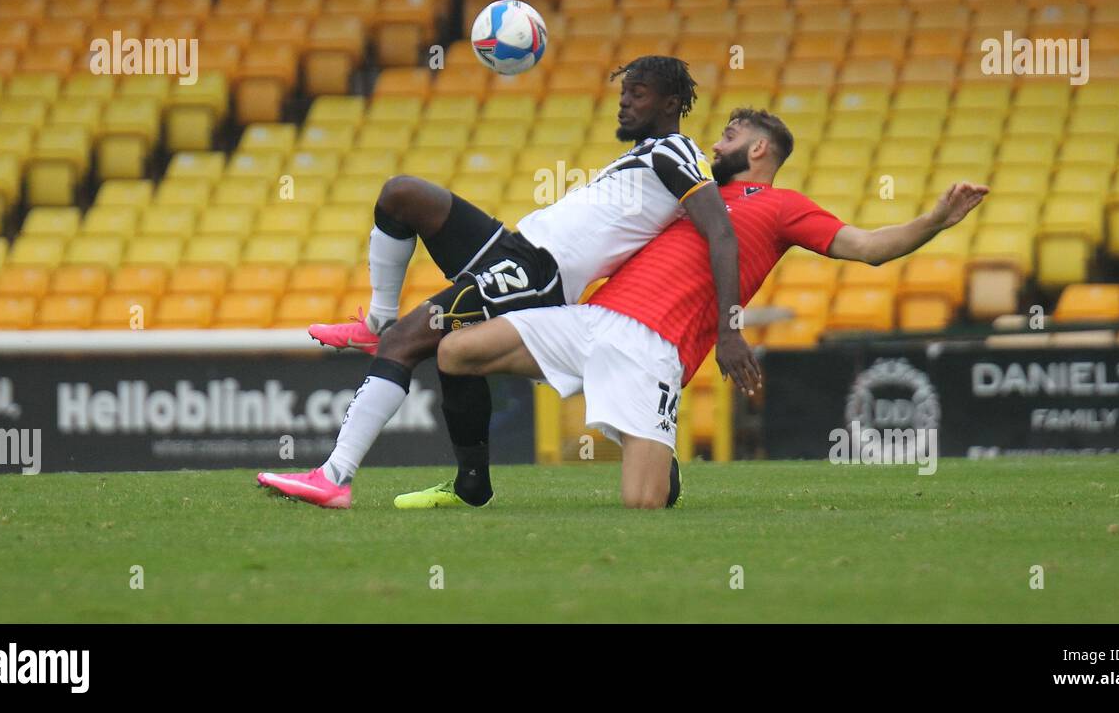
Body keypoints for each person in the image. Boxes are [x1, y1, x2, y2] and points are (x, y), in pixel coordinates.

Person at [258, 56, 760, 509]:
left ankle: (334, 477)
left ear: (672, 103)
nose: (625, 102)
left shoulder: (678, 154)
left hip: (535, 273)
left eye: (639, 93)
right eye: (624, 92)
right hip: (514, 246)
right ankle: (378, 324)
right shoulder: (650, 153)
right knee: (402, 195)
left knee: (406, 343)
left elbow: (720, 232)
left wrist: (729, 328)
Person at [424, 108, 989, 508]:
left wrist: (934, 221)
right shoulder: (685, 189)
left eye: (729, 136)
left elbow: (867, 247)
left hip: (653, 352)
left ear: (759, 149)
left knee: (643, 504)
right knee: (457, 350)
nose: (714, 146)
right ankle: (471, 483)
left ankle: (661, 468)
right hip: (593, 320)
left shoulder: (782, 207)